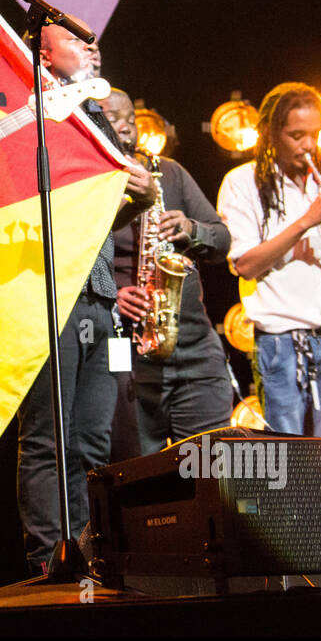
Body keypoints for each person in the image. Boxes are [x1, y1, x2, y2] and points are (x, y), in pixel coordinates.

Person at [14, 24, 155, 573]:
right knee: (48, 439)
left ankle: (89, 557)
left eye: (93, 40)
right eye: (76, 40)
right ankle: (49, 563)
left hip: (99, 296)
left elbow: (93, 219)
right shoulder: (32, 113)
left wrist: (134, 202)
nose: (92, 47)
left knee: (92, 443)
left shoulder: (93, 116)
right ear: (42, 53)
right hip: (51, 291)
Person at [216, 82, 321, 437]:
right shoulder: (242, 182)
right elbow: (245, 263)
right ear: (271, 133)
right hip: (280, 341)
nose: (308, 145)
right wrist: (308, 219)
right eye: (296, 135)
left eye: (314, 135)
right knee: (288, 458)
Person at [104, 89, 232, 456]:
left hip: (194, 346)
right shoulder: (85, 185)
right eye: (113, 119)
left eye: (130, 119)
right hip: (130, 353)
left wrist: (192, 230)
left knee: (215, 471)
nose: (126, 127)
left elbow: (222, 241)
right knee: (142, 477)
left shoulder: (169, 173)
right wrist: (114, 296)